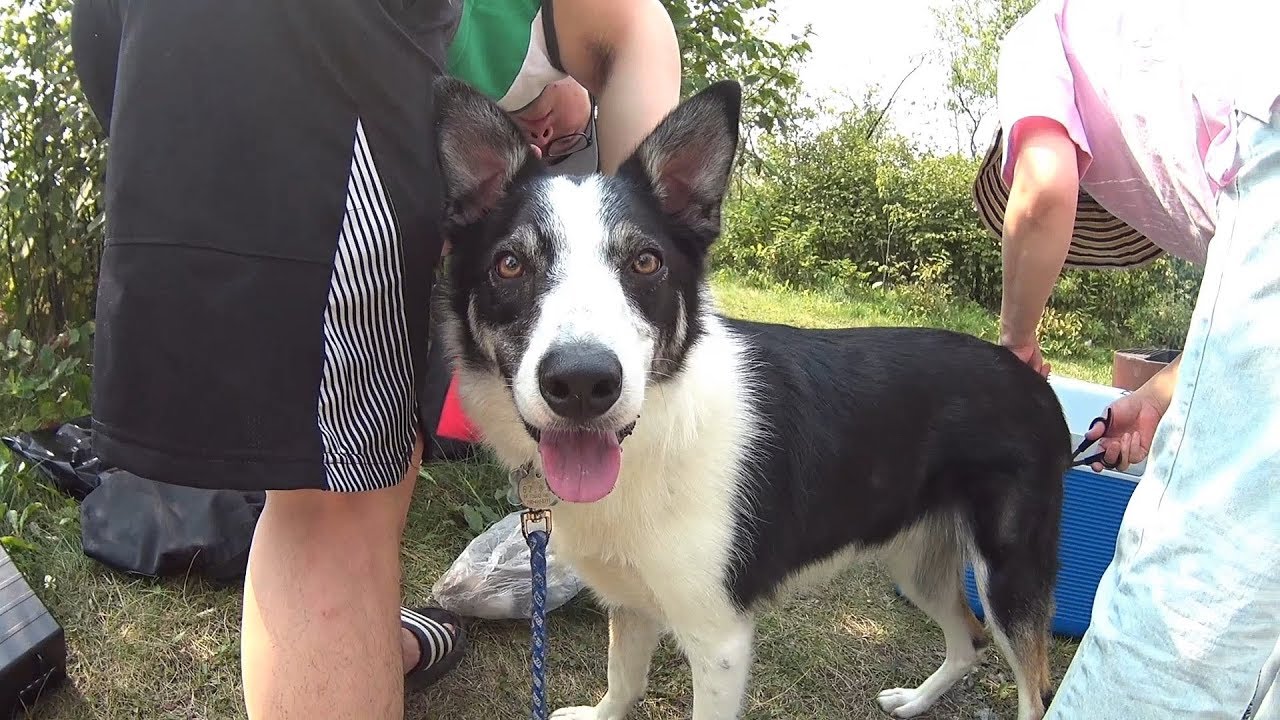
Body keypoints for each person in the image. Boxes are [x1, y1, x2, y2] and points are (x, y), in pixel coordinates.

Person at [67, 0, 679, 717]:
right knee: (335, 497)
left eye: (561, 143)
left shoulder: (449, 95)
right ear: (580, 75)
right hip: (309, 39)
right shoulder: (554, 36)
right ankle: (333, 648)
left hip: (152, 45)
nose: (548, 140)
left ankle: (352, 645)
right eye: (561, 132)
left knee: (348, 447)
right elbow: (638, 29)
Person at [973, 0, 1280, 716]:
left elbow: (1044, 187)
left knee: (1199, 566)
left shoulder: (1043, 28)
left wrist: (1016, 343)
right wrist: (1154, 398)